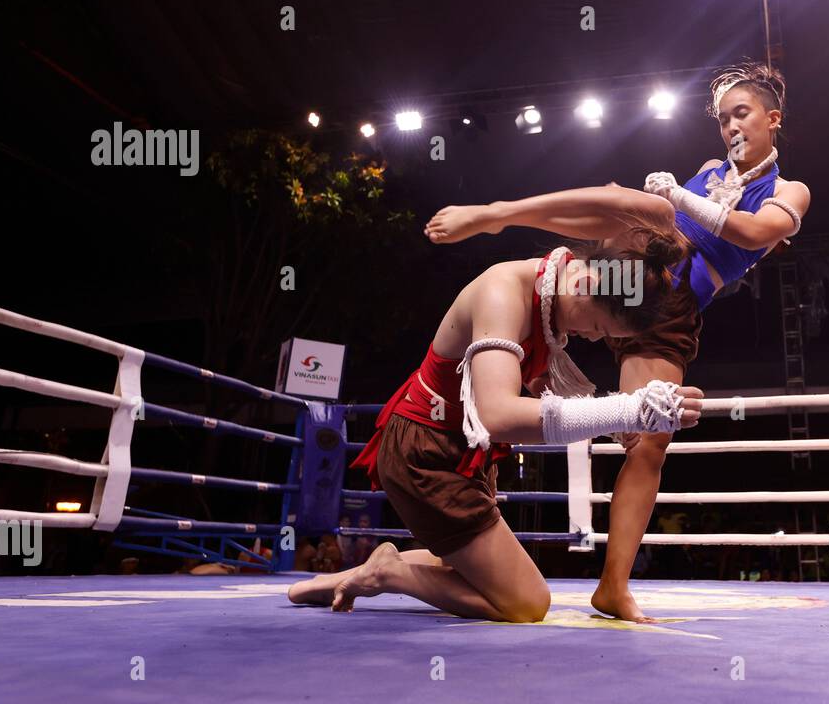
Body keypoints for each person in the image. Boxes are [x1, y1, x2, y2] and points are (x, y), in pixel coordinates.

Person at [423, 62, 810, 620]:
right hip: (625, 276)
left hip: (669, 314)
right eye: (724, 119)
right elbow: (633, 214)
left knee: (650, 441)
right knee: (633, 204)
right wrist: (665, 202)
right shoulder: (707, 169)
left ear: (772, 119)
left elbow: (752, 233)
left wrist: (678, 195)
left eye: (741, 114)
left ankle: (612, 586)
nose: (730, 128)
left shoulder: (789, 191)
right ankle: (498, 215)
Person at [287, 229, 704, 622]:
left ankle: (346, 578)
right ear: (583, 284)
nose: (590, 338)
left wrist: (614, 420)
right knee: (527, 602)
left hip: (461, 451)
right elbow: (498, 415)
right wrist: (626, 410)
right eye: (596, 326)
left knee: (461, 568)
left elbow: (536, 381)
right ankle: (386, 576)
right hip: (425, 451)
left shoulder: (557, 283)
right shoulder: (503, 294)